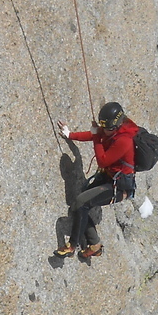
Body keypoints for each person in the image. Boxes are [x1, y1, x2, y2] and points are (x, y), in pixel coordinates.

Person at [55, 101, 139, 259]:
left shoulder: (124, 141)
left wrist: (95, 137)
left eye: (106, 128)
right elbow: (96, 134)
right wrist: (70, 134)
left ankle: (72, 246)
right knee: (80, 204)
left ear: (115, 126)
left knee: (81, 201)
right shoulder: (112, 130)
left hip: (119, 187)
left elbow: (103, 160)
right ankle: (94, 245)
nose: (104, 130)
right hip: (109, 178)